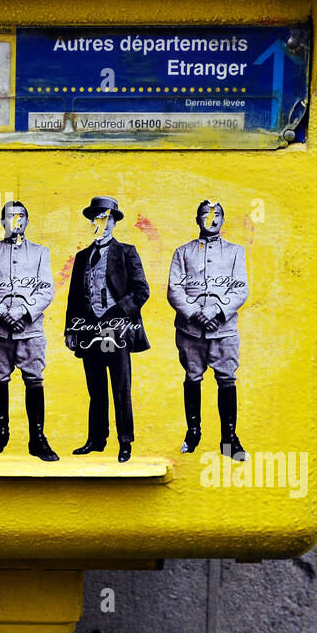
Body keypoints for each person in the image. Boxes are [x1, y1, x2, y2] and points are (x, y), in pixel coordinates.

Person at [64, 196, 150, 463]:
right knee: (96, 387)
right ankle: (96, 439)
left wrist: (116, 313)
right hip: (89, 329)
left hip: (116, 329)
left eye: (106, 218)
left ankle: (125, 442)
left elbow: (141, 291)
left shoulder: (126, 252)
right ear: (91, 222)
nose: (101, 223)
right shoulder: (81, 257)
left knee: (121, 387)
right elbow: (74, 297)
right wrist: (71, 330)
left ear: (113, 222)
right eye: (97, 218)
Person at [0, 201, 58, 461]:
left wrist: (22, 313)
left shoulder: (41, 253)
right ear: (2, 222)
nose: (16, 221)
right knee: (0, 377)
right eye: (10, 217)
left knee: (34, 379)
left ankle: (38, 438)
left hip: (30, 330)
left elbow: (45, 290)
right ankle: (1, 432)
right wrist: (3, 314)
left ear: (27, 221)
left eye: (21, 216)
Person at [167, 200, 249, 461]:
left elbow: (240, 289)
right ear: (197, 219)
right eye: (206, 214)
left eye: (217, 215)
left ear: (223, 220)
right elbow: (174, 289)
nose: (211, 220)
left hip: (224, 330)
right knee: (193, 377)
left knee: (227, 380)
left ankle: (229, 439)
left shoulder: (236, 252)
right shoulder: (182, 252)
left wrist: (216, 312)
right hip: (190, 331)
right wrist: (195, 313)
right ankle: (193, 433)